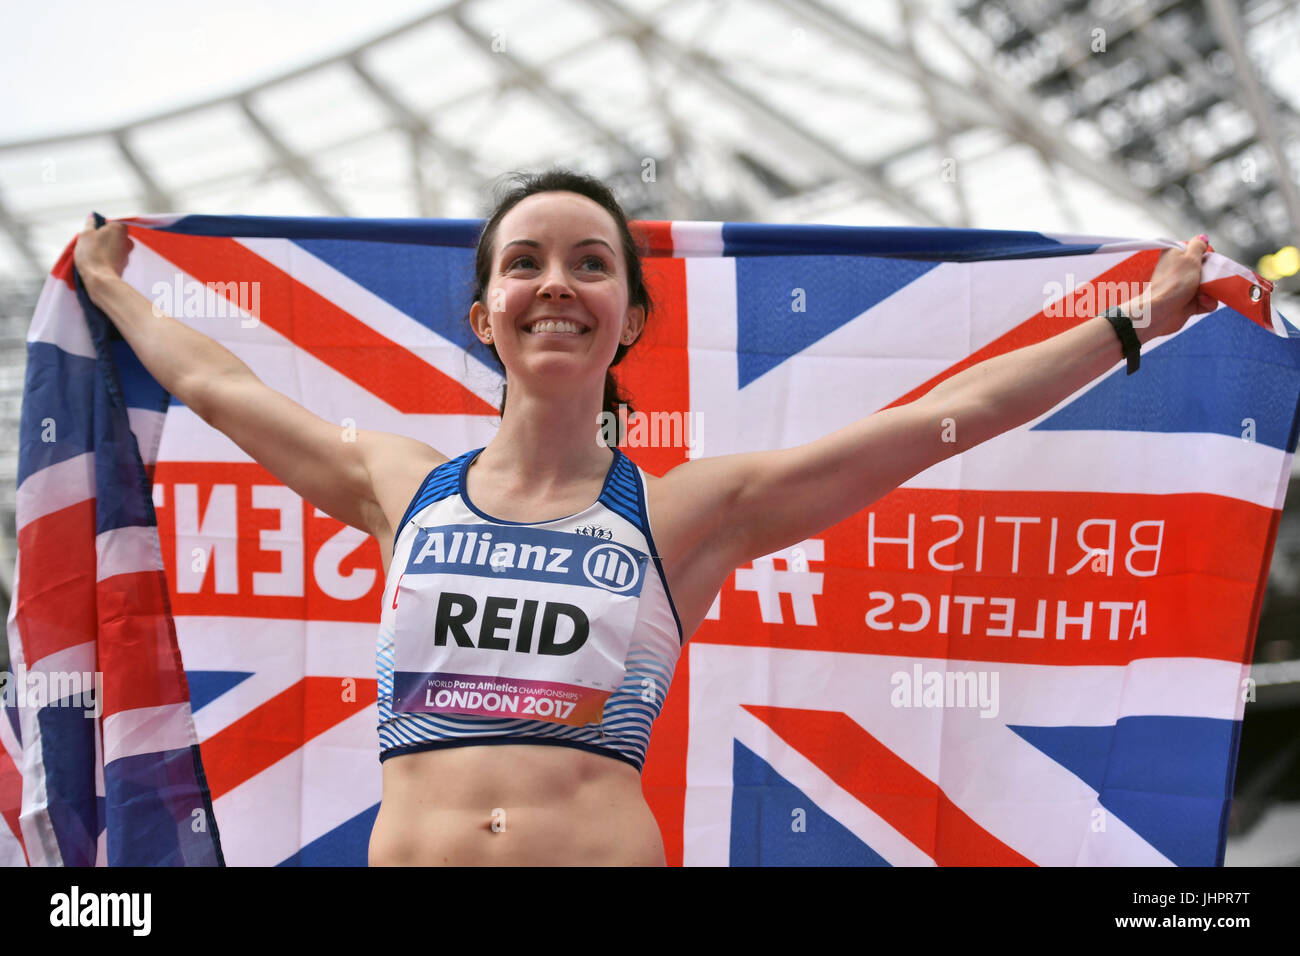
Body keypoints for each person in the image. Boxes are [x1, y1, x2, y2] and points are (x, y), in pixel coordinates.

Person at [72, 167, 1217, 866]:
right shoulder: (396, 481)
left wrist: (1132, 320)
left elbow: (946, 419)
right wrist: (118, 287)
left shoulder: (687, 514)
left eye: (590, 263)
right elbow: (220, 387)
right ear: (484, 315)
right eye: (525, 263)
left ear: (627, 320)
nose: (555, 282)